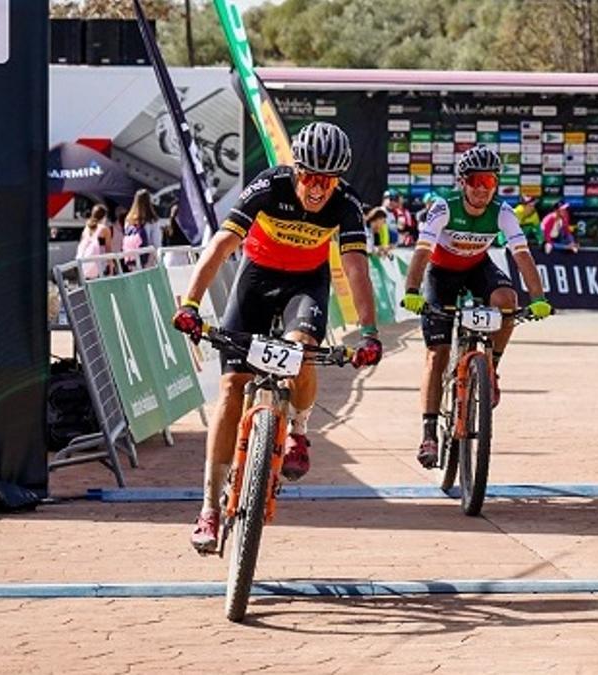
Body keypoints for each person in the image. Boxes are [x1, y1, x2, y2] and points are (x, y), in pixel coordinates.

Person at [171, 122, 383, 554]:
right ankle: (209, 509)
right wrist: (190, 303)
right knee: (231, 386)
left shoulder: (345, 204)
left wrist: (369, 331)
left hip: (305, 285)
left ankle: (299, 430)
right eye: (310, 177)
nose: (319, 188)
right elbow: (222, 244)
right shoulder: (268, 185)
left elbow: (356, 267)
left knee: (301, 350)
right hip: (256, 280)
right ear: (296, 169)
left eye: (329, 180)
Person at [398, 145, 551, 469]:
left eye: (490, 181)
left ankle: (491, 367)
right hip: (441, 274)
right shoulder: (443, 208)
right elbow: (423, 252)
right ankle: (428, 434)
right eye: (476, 180)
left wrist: (538, 298)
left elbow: (522, 256)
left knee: (507, 302)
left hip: (477, 268)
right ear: (463, 182)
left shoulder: (503, 212)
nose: (482, 188)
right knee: (436, 354)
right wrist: (412, 290)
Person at [122, 189, 160, 271]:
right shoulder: (152, 220)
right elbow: (156, 242)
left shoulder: (129, 220)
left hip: (132, 258)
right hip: (148, 260)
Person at [76, 204, 112, 279]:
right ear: (104, 216)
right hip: (99, 262)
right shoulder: (104, 229)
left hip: (85, 261)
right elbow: (108, 248)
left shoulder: (87, 227)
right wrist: (110, 265)